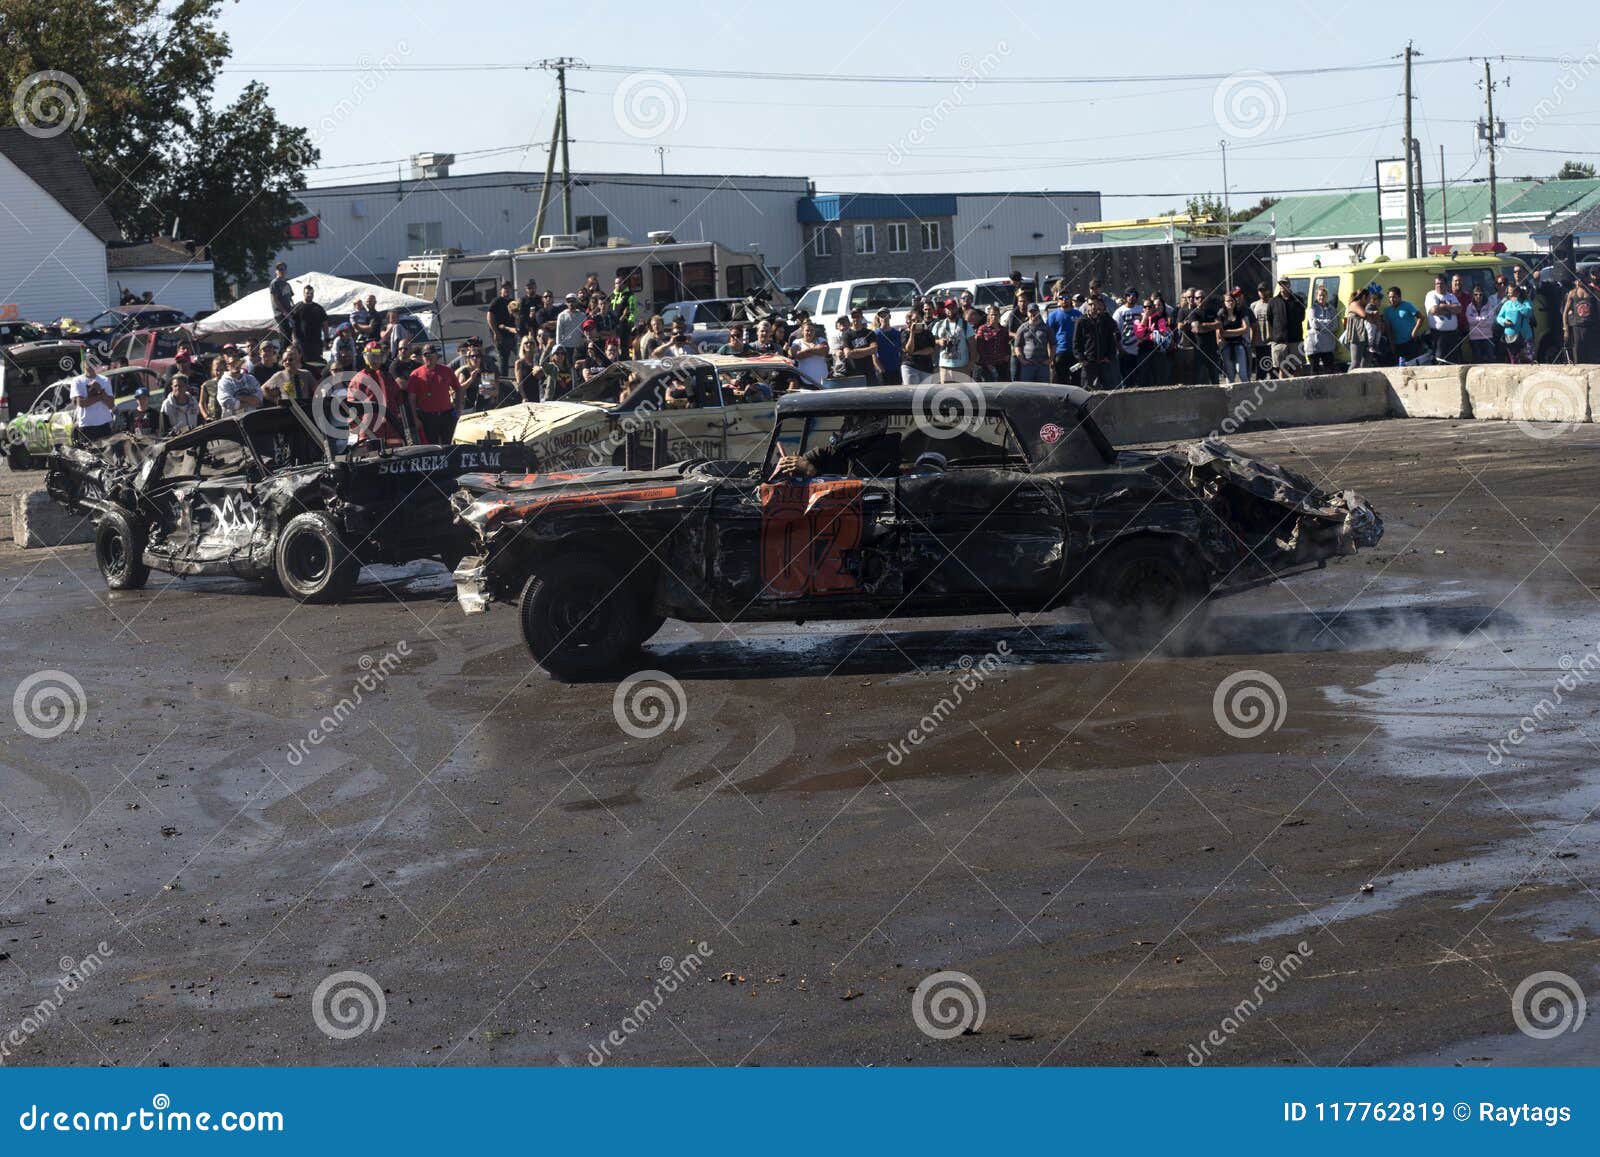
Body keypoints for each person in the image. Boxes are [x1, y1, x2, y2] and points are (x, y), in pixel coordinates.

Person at [347, 343, 407, 445]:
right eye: (372, 357)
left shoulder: (388, 377)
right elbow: (351, 407)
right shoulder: (358, 379)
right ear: (366, 358)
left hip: (392, 429)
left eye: (379, 357)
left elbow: (399, 400)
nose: (375, 361)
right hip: (369, 431)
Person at [406, 344, 460, 443]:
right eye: (426, 354)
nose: (429, 357)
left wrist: (458, 408)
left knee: (449, 444)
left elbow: (458, 389)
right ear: (422, 357)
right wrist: (415, 418)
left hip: (447, 415)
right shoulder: (415, 375)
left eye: (432, 354)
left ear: (436, 356)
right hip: (427, 417)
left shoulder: (446, 370)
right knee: (432, 446)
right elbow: (411, 399)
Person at [1071, 296, 1118, 388]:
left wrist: (1109, 356)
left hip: (1104, 362)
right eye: (1090, 304)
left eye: (1095, 304)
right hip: (1089, 363)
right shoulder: (1081, 321)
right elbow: (1076, 342)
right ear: (1087, 306)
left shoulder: (1106, 320)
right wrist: (1082, 359)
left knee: (1108, 388)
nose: (1093, 307)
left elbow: (1112, 340)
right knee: (1086, 389)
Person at [1266, 278, 1306, 377]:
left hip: (1295, 339)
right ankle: (1283, 391)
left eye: (1284, 284)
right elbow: (1270, 319)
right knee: (1282, 368)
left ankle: (1298, 389)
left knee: (1297, 367)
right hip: (1280, 341)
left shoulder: (1298, 300)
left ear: (1289, 285)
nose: (1282, 286)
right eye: (1280, 284)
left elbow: (1302, 317)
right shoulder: (1273, 301)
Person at [1134, 293, 1174, 386]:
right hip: (1143, 352)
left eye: (1150, 306)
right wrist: (1144, 318)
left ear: (1153, 307)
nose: (1147, 309)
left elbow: (1161, 333)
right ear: (1143, 308)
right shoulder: (1138, 319)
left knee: (1159, 379)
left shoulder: (1160, 319)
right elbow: (1139, 334)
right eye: (1145, 307)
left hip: (1157, 352)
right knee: (1144, 379)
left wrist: (1146, 337)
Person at [1424, 274, 1463, 364]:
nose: (1439, 285)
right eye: (1437, 284)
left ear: (1446, 284)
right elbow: (1434, 310)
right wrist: (1451, 309)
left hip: (1453, 334)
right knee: (1440, 359)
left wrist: (1443, 306)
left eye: (1441, 283)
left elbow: (1459, 309)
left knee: (1453, 360)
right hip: (1438, 335)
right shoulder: (1431, 295)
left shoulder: (1451, 296)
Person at [69, 365, 117, 440]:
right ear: (83, 364)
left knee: (109, 451)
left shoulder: (105, 380)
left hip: (105, 423)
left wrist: (99, 389)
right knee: (91, 451)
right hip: (87, 425)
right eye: (87, 361)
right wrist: (101, 396)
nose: (90, 364)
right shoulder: (77, 381)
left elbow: (111, 405)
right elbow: (82, 403)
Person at [932, 299, 973, 382]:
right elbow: (930, 341)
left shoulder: (965, 324)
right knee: (945, 393)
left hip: (962, 366)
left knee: (963, 393)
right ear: (944, 310)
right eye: (948, 308)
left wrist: (970, 364)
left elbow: (973, 345)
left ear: (957, 309)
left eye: (952, 308)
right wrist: (939, 341)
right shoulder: (939, 324)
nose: (950, 310)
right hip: (944, 366)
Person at [1045, 293, 1081, 385]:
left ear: (1070, 300)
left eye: (1067, 297)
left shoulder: (1078, 314)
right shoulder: (1053, 316)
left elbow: (1084, 334)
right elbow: (1048, 338)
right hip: (1060, 354)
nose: (1064, 300)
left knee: (1076, 377)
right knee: (1062, 379)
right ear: (1058, 301)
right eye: (1061, 298)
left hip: (1076, 354)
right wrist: (1051, 357)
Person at [1382, 286, 1424, 364]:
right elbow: (1388, 328)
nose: (1391, 299)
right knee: (1400, 366)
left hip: (1410, 341)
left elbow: (1421, 317)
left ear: (1399, 297)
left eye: (1394, 297)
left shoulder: (1408, 305)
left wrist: (1414, 332)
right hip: (1397, 344)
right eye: (1390, 297)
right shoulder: (1387, 311)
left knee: (1413, 365)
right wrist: (1391, 343)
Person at [1562, 274, 1599, 363]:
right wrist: (1566, 329)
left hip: (1590, 326)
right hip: (1576, 326)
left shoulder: (1592, 292)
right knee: (1577, 351)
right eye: (1578, 280)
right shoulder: (1572, 293)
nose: (1579, 282)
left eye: (1582, 280)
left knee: (1590, 352)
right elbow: (1565, 313)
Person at [1304, 285, 1340, 374]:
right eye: (1320, 295)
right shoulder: (1312, 309)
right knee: (1314, 372)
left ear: (1327, 296)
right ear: (1316, 296)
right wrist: (1328, 322)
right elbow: (1314, 323)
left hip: (1328, 346)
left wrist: (1321, 324)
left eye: (1324, 295)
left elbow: (1335, 325)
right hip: (1314, 345)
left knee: (1329, 371)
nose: (1322, 297)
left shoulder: (1332, 309)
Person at [1013, 302, 1053, 383]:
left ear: (1038, 312)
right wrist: (1022, 360)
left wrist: (1050, 360)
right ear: (1027, 313)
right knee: (1027, 389)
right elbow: (1017, 346)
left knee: (1043, 389)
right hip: (1028, 365)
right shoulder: (1023, 327)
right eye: (1030, 312)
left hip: (1042, 365)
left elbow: (1053, 344)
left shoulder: (1046, 328)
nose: (1033, 313)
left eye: (1035, 311)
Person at [1218, 289, 1251, 383]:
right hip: (1226, 346)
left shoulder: (1240, 313)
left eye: (1232, 300)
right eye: (1227, 301)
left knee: (1242, 372)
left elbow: (1245, 328)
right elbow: (1220, 333)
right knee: (1230, 374)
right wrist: (1237, 331)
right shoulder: (1221, 314)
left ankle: (1247, 393)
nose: (1230, 302)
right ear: (1224, 302)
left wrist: (1228, 332)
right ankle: (1230, 396)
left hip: (1239, 344)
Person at [1497, 283, 1535, 364]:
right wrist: (1504, 322)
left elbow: (1528, 313)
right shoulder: (1506, 304)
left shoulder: (1525, 302)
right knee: (1514, 361)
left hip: (1525, 336)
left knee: (1528, 361)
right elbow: (1499, 317)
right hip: (1510, 337)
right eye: (1508, 292)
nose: (1509, 294)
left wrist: (1516, 303)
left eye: (1511, 292)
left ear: (1518, 293)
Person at [216, 348, 262, 415]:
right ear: (227, 366)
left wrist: (240, 398)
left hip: (252, 418)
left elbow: (258, 399)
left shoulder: (250, 379)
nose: (235, 365)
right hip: (232, 421)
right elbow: (227, 402)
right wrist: (249, 401)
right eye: (232, 363)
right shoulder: (223, 382)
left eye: (237, 362)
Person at [1111, 289, 1143, 386]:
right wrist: (1119, 349)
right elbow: (1115, 332)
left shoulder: (1141, 309)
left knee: (1140, 378)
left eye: (1133, 295)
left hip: (1139, 349)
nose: (1131, 297)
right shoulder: (1119, 312)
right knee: (1126, 379)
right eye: (1128, 295)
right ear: (1125, 297)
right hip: (1125, 350)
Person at [486, 283, 517, 373]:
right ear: (501, 290)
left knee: (521, 355)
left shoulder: (512, 302)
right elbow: (489, 317)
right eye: (505, 288)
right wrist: (496, 332)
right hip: (501, 335)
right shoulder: (496, 301)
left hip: (513, 334)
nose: (507, 290)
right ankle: (504, 381)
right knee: (504, 359)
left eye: (509, 288)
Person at [1464, 285, 1499, 364]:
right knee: (1478, 360)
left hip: (1488, 337)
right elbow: (1469, 320)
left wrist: (1476, 321)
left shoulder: (1489, 306)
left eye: (1480, 294)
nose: (1478, 296)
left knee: (1491, 360)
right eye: (1476, 294)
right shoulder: (1469, 307)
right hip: (1474, 338)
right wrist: (1481, 319)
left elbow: (1490, 321)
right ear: (1473, 295)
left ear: (1483, 295)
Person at [902, 305, 936, 383]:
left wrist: (915, 353)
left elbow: (930, 349)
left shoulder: (927, 333)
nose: (916, 322)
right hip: (910, 365)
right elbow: (908, 349)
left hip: (926, 366)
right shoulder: (905, 333)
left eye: (919, 320)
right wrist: (912, 333)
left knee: (925, 393)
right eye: (914, 320)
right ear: (910, 321)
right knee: (911, 392)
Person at [456, 342, 496, 409]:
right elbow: (459, 389)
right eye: (472, 356)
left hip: (484, 405)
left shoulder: (486, 372)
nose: (475, 358)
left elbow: (495, 392)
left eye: (477, 356)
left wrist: (488, 392)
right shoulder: (465, 371)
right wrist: (471, 379)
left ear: (481, 358)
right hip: (468, 405)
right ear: (468, 359)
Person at [975, 305, 1009, 382]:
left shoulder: (1003, 330)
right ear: (988, 316)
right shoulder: (982, 329)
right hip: (985, 364)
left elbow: (1006, 345)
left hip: (1000, 363)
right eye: (992, 315)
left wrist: (1007, 355)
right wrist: (987, 364)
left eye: (996, 315)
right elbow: (979, 348)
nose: (994, 317)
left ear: (999, 316)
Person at [872, 309, 903, 385]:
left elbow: (901, 350)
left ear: (889, 316)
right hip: (883, 369)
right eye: (881, 316)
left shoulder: (897, 333)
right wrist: (881, 369)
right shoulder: (875, 334)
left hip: (896, 369)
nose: (884, 318)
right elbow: (873, 355)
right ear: (878, 318)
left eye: (885, 316)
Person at [268, 261, 293, 347]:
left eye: (283, 269)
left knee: (290, 334)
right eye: (279, 269)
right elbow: (275, 299)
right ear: (276, 271)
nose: (281, 271)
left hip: (289, 313)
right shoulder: (274, 283)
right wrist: (284, 312)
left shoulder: (287, 284)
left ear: (286, 270)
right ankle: (282, 354)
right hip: (280, 314)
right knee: (285, 335)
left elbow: (290, 298)